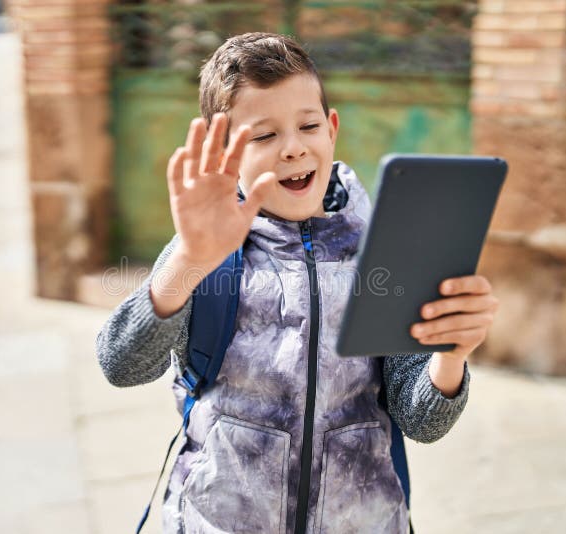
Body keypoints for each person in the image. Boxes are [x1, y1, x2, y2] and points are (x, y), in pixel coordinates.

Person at [96, 32, 499, 534]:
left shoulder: (383, 247)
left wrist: (452, 355)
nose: (292, 148)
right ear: (225, 152)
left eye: (307, 125)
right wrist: (188, 261)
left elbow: (421, 421)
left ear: (331, 129)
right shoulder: (205, 253)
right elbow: (121, 364)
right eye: (263, 136)